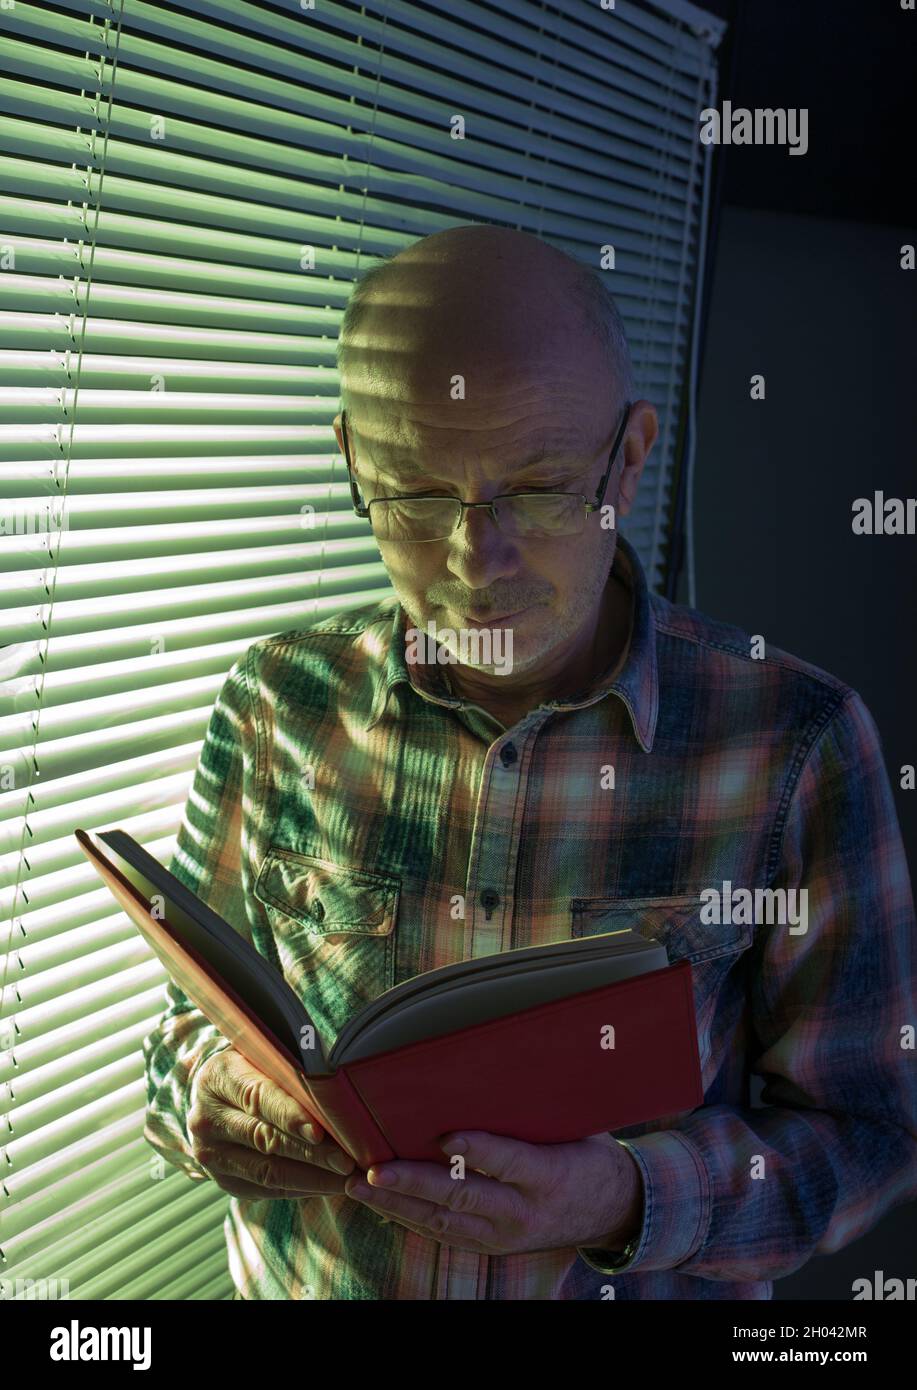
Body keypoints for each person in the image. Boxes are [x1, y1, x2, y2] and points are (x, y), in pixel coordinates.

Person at [142, 224, 917, 1300]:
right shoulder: (279, 704)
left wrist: (621, 1198)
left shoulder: (796, 741)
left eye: (543, 490)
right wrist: (211, 1097)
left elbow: (869, 1134)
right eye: (415, 495)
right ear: (352, 462)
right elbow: (187, 1032)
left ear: (630, 458)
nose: (476, 563)